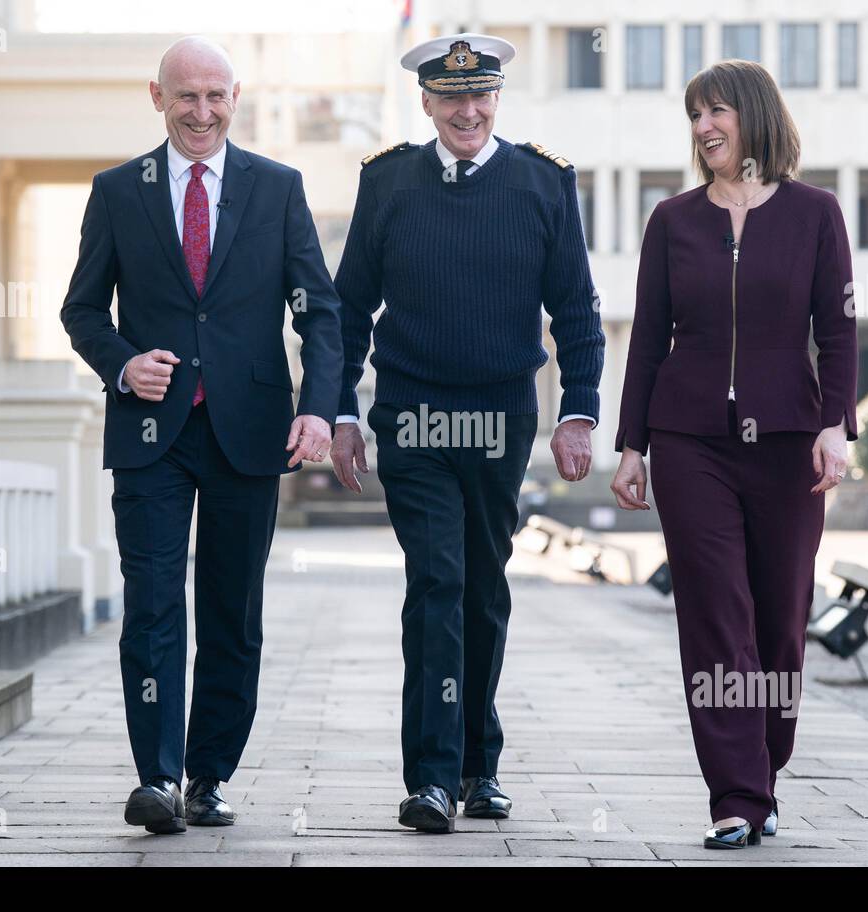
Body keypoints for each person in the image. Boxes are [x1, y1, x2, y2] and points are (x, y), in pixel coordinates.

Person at [60, 36, 342, 834]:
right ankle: (156, 776)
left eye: (216, 96)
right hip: (151, 434)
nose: (202, 112)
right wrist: (121, 363)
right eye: (186, 96)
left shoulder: (278, 189)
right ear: (158, 98)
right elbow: (81, 310)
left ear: (236, 97)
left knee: (231, 610)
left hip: (248, 433)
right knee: (152, 603)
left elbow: (320, 309)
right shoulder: (118, 191)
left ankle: (209, 775)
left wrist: (318, 408)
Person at [329, 34, 605, 833]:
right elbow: (348, 311)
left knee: (483, 587)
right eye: (451, 98)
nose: (467, 110)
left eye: (480, 95)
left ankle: (480, 762)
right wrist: (343, 412)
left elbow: (578, 311)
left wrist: (579, 412)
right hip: (412, 414)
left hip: (499, 418)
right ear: (426, 103)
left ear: (497, 99)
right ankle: (432, 779)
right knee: (438, 582)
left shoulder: (544, 183)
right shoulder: (386, 184)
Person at [610, 59, 859, 849]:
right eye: (694, 115)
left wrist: (834, 424)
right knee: (716, 616)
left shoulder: (816, 214)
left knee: (782, 620)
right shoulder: (673, 221)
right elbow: (648, 339)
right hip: (690, 445)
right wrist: (631, 445)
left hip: (789, 443)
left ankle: (764, 768)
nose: (704, 127)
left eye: (717, 111)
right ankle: (736, 794)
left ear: (754, 118)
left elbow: (840, 329)